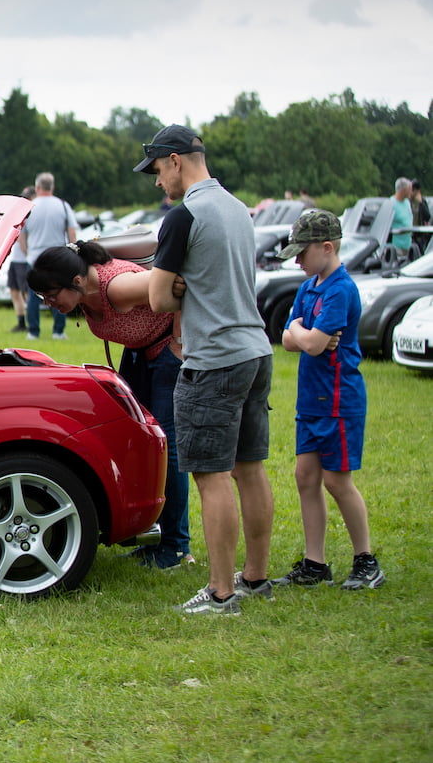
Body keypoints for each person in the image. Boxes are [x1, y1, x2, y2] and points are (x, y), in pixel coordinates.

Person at [138, 125, 274, 616]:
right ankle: (256, 577)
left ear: (175, 161)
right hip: (256, 350)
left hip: (213, 358)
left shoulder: (183, 216)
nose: (157, 182)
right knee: (250, 469)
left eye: (156, 170)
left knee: (211, 477)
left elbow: (156, 296)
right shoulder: (239, 209)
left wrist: (179, 285)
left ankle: (221, 593)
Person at [29, 241, 191, 569]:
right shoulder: (84, 286)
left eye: (51, 296)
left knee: (166, 446)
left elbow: (181, 283)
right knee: (137, 440)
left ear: (76, 281)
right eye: (42, 299)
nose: (49, 304)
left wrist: (178, 339)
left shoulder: (118, 288)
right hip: (140, 352)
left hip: (165, 353)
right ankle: (151, 537)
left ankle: (175, 546)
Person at [272, 210, 384, 591]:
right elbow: (289, 339)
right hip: (311, 402)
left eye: (303, 253)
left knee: (337, 481)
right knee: (306, 476)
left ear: (327, 247)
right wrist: (303, 332)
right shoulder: (307, 288)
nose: (298, 260)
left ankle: (366, 560)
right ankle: (315, 563)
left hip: (338, 401)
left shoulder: (341, 289)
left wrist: (302, 333)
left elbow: (315, 345)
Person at [20, 172, 78, 340]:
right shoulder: (63, 205)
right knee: (60, 293)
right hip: (57, 258)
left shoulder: (29, 207)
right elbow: (72, 232)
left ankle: (33, 331)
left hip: (35, 257)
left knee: (33, 296)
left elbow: (21, 235)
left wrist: (26, 252)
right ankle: (58, 331)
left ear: (37, 187)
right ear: (52, 187)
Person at [6, 185, 37, 333]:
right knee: (14, 291)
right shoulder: (22, 214)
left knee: (26, 293)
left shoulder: (34, 215)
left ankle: (32, 325)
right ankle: (21, 322)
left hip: (25, 260)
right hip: (16, 258)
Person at [388, 177, 414, 261]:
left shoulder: (407, 202)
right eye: (410, 189)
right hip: (396, 247)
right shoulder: (391, 203)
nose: (411, 191)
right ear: (404, 190)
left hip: (408, 245)